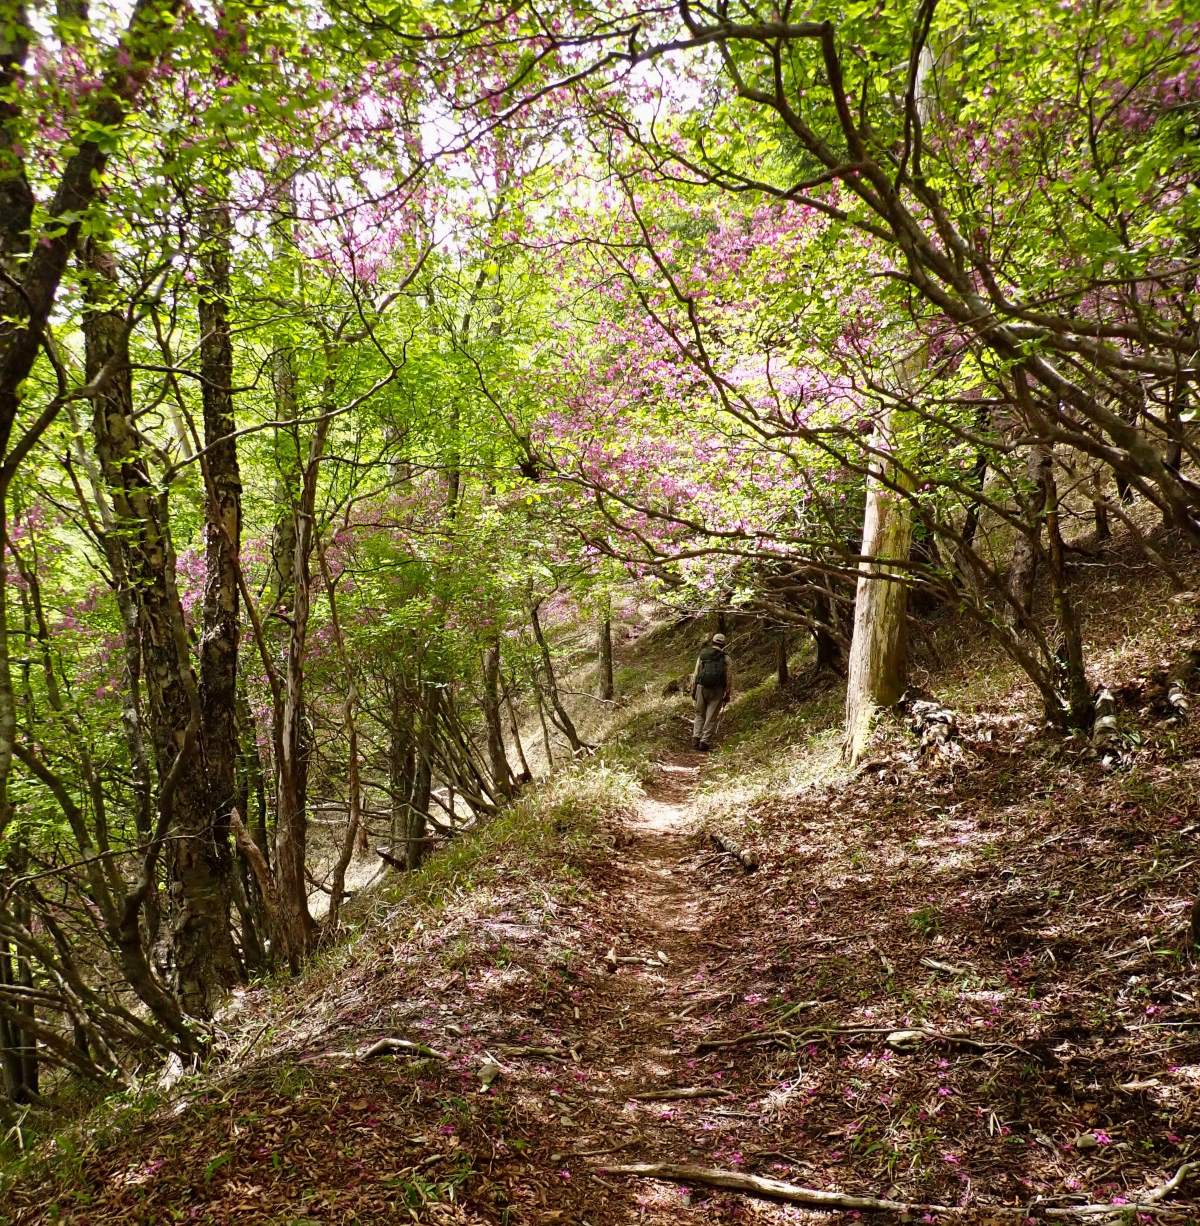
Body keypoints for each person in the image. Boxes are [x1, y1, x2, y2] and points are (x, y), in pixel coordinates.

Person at [691, 632, 732, 751]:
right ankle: (704, 741)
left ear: (712, 642)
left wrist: (693, 689)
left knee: (699, 713)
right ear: (723, 644)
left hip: (701, 687)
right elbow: (729, 677)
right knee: (711, 716)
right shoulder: (726, 658)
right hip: (717, 690)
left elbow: (696, 674)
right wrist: (727, 693)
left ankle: (696, 737)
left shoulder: (703, 655)